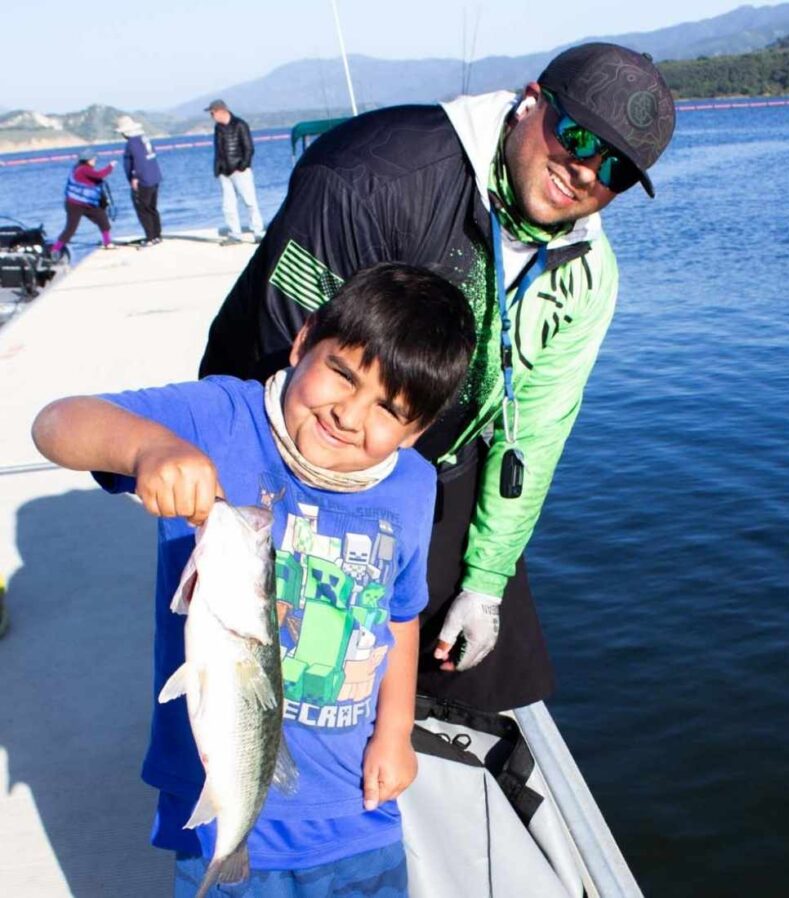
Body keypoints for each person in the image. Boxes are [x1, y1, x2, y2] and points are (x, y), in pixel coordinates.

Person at [199, 42, 677, 712]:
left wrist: (485, 581)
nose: (585, 171)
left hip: (435, 458)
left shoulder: (589, 273)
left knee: (486, 677)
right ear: (531, 102)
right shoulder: (372, 176)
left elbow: (535, 432)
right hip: (299, 437)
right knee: (296, 672)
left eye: (616, 168)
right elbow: (284, 366)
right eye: (577, 136)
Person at [32, 262, 476, 898]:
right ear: (303, 342)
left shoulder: (412, 485)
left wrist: (395, 731)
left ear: (419, 430)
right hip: (222, 806)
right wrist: (150, 449)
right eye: (342, 374)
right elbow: (57, 423)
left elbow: (398, 615)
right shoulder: (220, 419)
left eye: (387, 409)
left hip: (355, 805)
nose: (348, 414)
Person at [206, 99, 264, 244]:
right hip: (224, 172)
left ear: (221, 111)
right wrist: (218, 168)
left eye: (212, 113)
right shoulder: (218, 128)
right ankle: (235, 234)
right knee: (228, 206)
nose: (211, 116)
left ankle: (258, 232)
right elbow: (218, 149)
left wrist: (242, 166)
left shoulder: (240, 125)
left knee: (250, 202)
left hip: (240, 171)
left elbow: (249, 148)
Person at [50, 154, 116, 256]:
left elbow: (94, 181)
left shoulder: (84, 170)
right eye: (93, 159)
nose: (94, 161)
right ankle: (55, 249)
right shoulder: (83, 169)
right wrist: (110, 166)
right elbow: (100, 175)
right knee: (70, 229)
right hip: (74, 205)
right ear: (87, 160)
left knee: (102, 218)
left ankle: (107, 242)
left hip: (87, 204)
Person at [116, 114, 163, 246]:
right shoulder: (144, 138)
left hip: (144, 179)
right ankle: (157, 235)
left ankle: (150, 237)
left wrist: (135, 177)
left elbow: (139, 160)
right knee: (152, 208)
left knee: (143, 209)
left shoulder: (132, 143)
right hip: (154, 176)